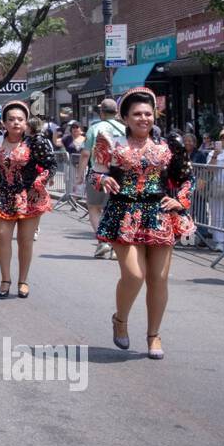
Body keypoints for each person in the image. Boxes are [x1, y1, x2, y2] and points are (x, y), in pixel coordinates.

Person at [90, 88, 194, 360]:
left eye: (148, 113)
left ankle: (154, 335)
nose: (143, 118)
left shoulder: (169, 145)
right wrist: (103, 181)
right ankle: (120, 319)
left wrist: (179, 201)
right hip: (124, 213)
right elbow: (94, 175)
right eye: (137, 114)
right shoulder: (111, 144)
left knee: (158, 279)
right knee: (134, 275)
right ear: (125, 117)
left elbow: (186, 178)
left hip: (159, 214)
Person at [0, 99, 55, 298]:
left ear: (26, 122)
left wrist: (38, 184)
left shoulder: (35, 142)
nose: (16, 123)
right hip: (3, 195)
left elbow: (50, 165)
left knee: (25, 240)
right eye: (11, 119)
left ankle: (23, 280)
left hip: (29, 196)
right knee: (3, 237)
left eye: (20, 119)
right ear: (3, 122)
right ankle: (5, 279)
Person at [81, 98, 125, 259]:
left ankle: (103, 242)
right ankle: (114, 245)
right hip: (120, 174)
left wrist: (80, 175)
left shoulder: (95, 128)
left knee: (93, 207)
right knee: (114, 209)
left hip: (98, 173)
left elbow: (86, 153)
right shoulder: (125, 128)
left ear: (101, 112)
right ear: (116, 112)